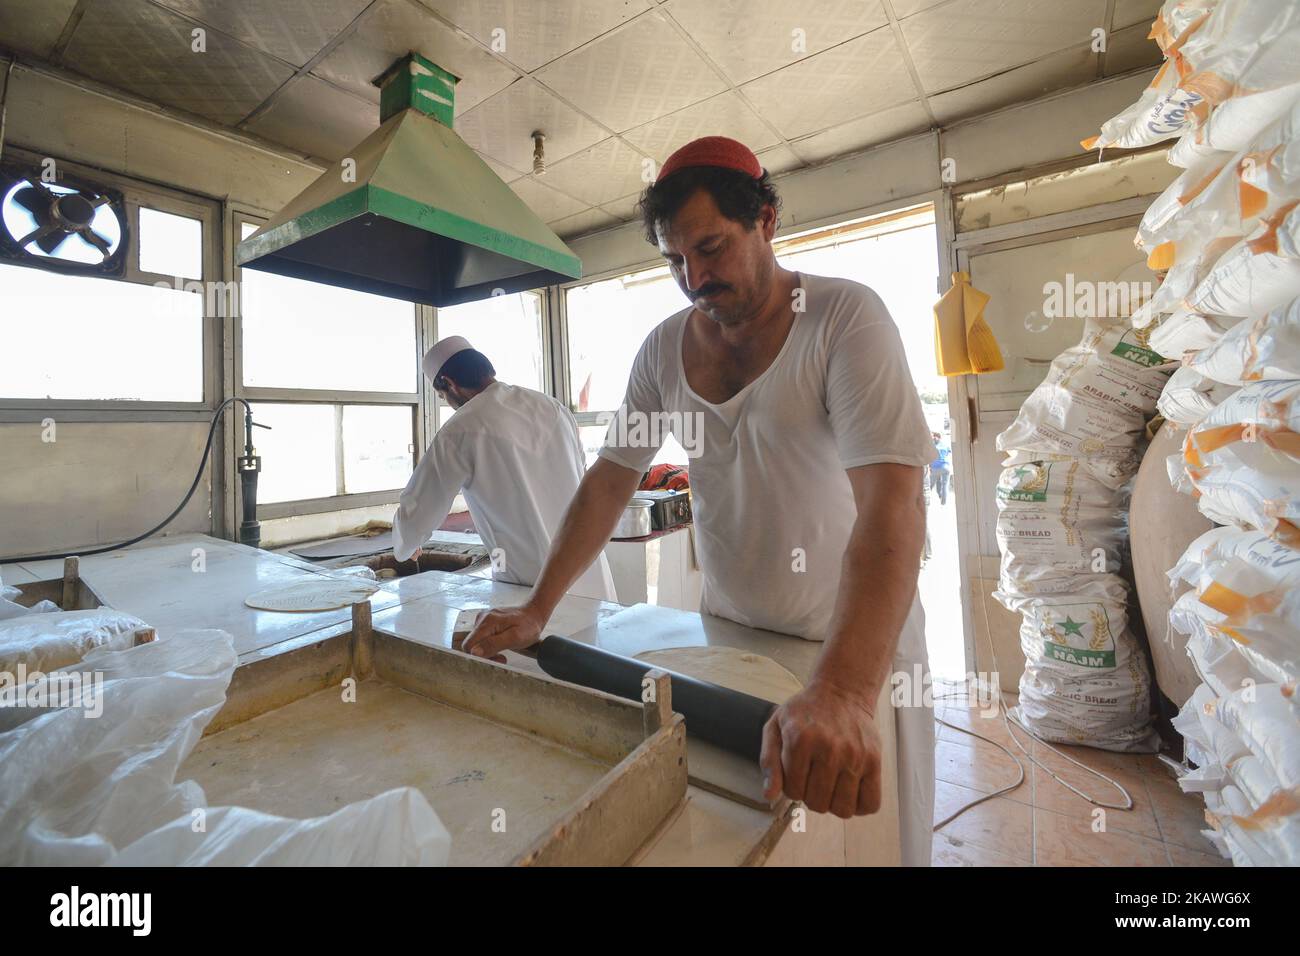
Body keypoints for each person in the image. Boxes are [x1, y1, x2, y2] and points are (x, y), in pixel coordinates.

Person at [467, 136, 938, 865]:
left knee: (876, 847)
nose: (694, 278)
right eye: (675, 260)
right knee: (752, 834)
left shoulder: (845, 318)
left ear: (766, 221)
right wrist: (538, 608)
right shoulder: (663, 350)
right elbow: (610, 480)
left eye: (711, 249)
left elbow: (894, 507)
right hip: (732, 638)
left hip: (852, 647)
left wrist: (844, 693)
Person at [391, 335, 616, 603]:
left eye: (443, 396)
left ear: (450, 384)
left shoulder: (460, 428)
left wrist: (406, 544)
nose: (448, 403)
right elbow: (581, 473)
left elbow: (418, 509)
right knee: (598, 629)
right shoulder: (553, 407)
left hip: (531, 590)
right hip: (589, 574)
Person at [929, 431, 952, 505]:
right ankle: (943, 503)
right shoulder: (945, 444)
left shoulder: (932, 446)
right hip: (945, 467)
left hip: (935, 468)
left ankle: (926, 501)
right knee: (945, 485)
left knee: (929, 486)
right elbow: (949, 452)